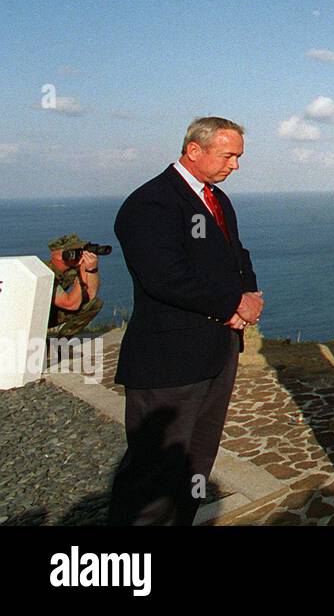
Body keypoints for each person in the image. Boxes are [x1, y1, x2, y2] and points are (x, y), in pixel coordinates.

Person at [107, 117, 263, 526]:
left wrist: (251, 295)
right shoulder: (151, 204)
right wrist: (232, 303)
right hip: (168, 363)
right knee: (154, 473)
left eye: (238, 156)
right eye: (228, 155)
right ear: (195, 149)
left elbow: (236, 256)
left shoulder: (216, 199)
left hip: (216, 354)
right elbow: (166, 276)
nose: (236, 165)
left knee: (196, 463)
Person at [44, 234, 104, 338]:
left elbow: (91, 294)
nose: (80, 255)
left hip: (48, 313)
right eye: (75, 252)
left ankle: (60, 344)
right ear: (59, 256)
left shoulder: (71, 270)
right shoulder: (45, 273)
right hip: (28, 317)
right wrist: (82, 272)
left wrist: (91, 270)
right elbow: (70, 304)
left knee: (93, 304)